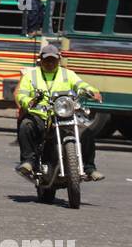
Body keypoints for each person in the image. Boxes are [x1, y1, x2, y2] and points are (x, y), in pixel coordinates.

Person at [15, 42, 104, 181]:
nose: (50, 63)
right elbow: (21, 94)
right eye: (47, 59)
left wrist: (92, 92)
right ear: (41, 60)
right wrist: (28, 102)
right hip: (41, 116)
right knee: (26, 125)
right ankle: (29, 162)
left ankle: (89, 168)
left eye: (53, 59)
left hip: (64, 115)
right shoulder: (31, 76)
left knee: (86, 132)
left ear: (59, 60)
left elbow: (81, 85)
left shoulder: (68, 74)